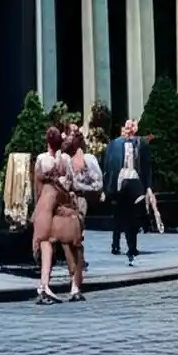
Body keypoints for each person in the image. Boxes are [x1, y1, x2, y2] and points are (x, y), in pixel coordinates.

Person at [32, 126, 82, 305]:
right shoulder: (65, 159)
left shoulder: (41, 159)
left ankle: (44, 284)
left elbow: (37, 187)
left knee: (46, 243)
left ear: (47, 142)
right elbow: (71, 182)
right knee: (70, 244)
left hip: (46, 207)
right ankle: (74, 286)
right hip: (62, 207)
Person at [104, 119, 151, 266]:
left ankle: (132, 246)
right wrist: (107, 187)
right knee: (119, 214)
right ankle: (116, 243)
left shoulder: (140, 144)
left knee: (134, 215)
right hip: (120, 180)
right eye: (127, 126)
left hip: (135, 179)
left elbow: (146, 166)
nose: (129, 129)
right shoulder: (115, 144)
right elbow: (108, 165)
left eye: (132, 126)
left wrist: (148, 187)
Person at [64, 125, 102, 296]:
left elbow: (97, 184)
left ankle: (76, 274)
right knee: (66, 238)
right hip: (66, 200)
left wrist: (79, 187)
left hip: (79, 200)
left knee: (75, 237)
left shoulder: (88, 159)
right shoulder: (65, 158)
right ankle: (74, 270)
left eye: (71, 136)